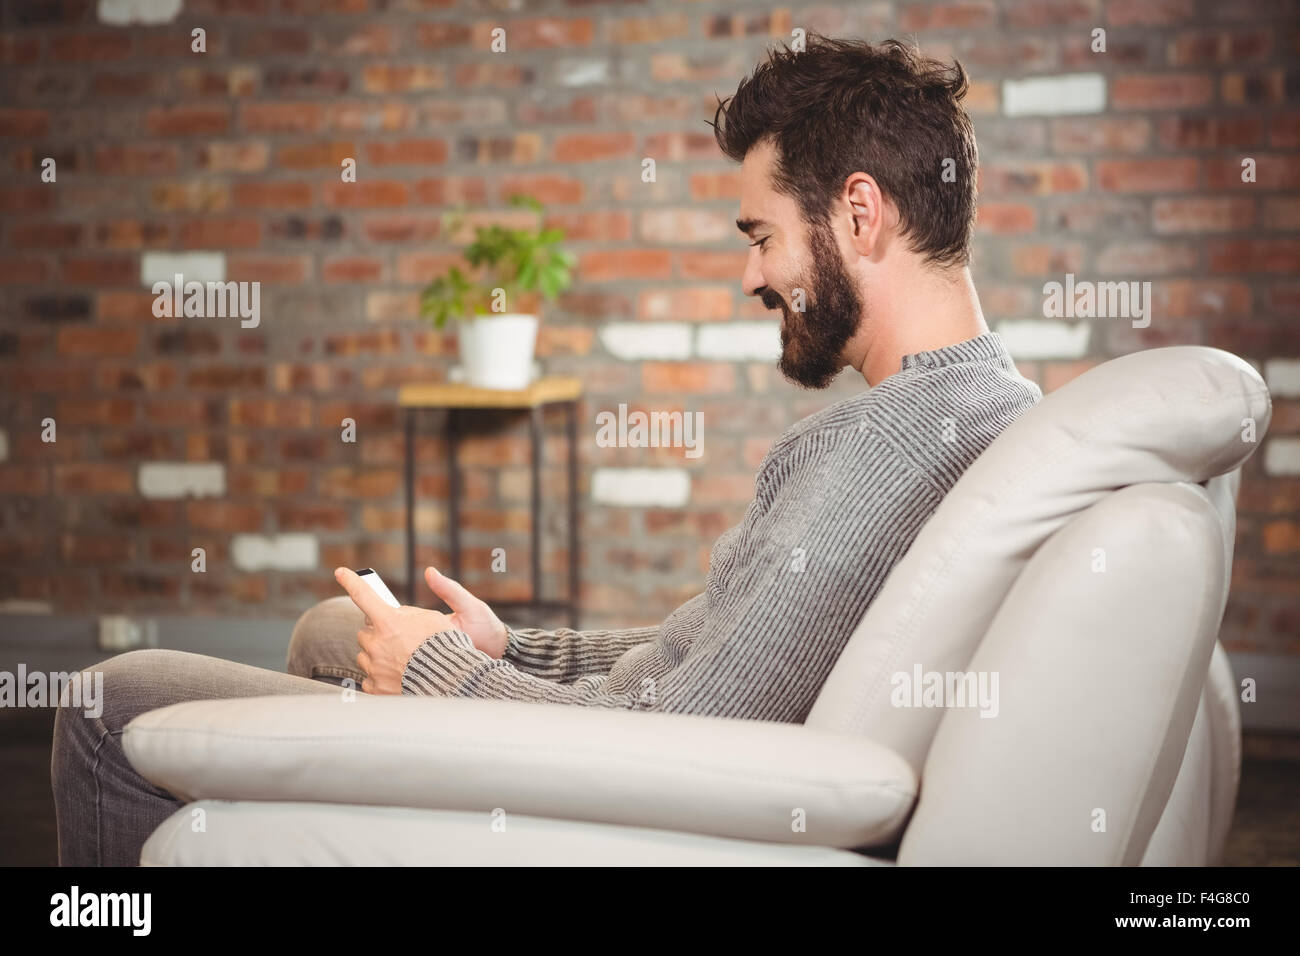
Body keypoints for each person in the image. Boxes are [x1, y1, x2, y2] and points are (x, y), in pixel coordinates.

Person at [52, 33, 1042, 866]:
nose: (750, 275)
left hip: (616, 780)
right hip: (636, 741)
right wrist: (514, 648)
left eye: (760, 234)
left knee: (107, 700)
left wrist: (446, 674)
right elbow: (715, 657)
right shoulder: (978, 406)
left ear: (859, 214)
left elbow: (689, 738)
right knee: (330, 629)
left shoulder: (878, 449)